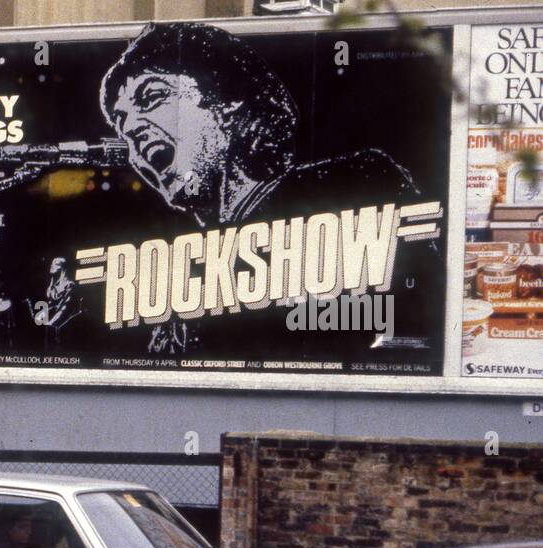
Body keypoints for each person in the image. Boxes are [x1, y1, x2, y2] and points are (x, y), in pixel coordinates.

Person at [98, 21, 435, 359]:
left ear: (226, 100)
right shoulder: (180, 284)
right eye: (122, 128)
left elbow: (419, 321)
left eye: (152, 97)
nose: (133, 132)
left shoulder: (359, 183)